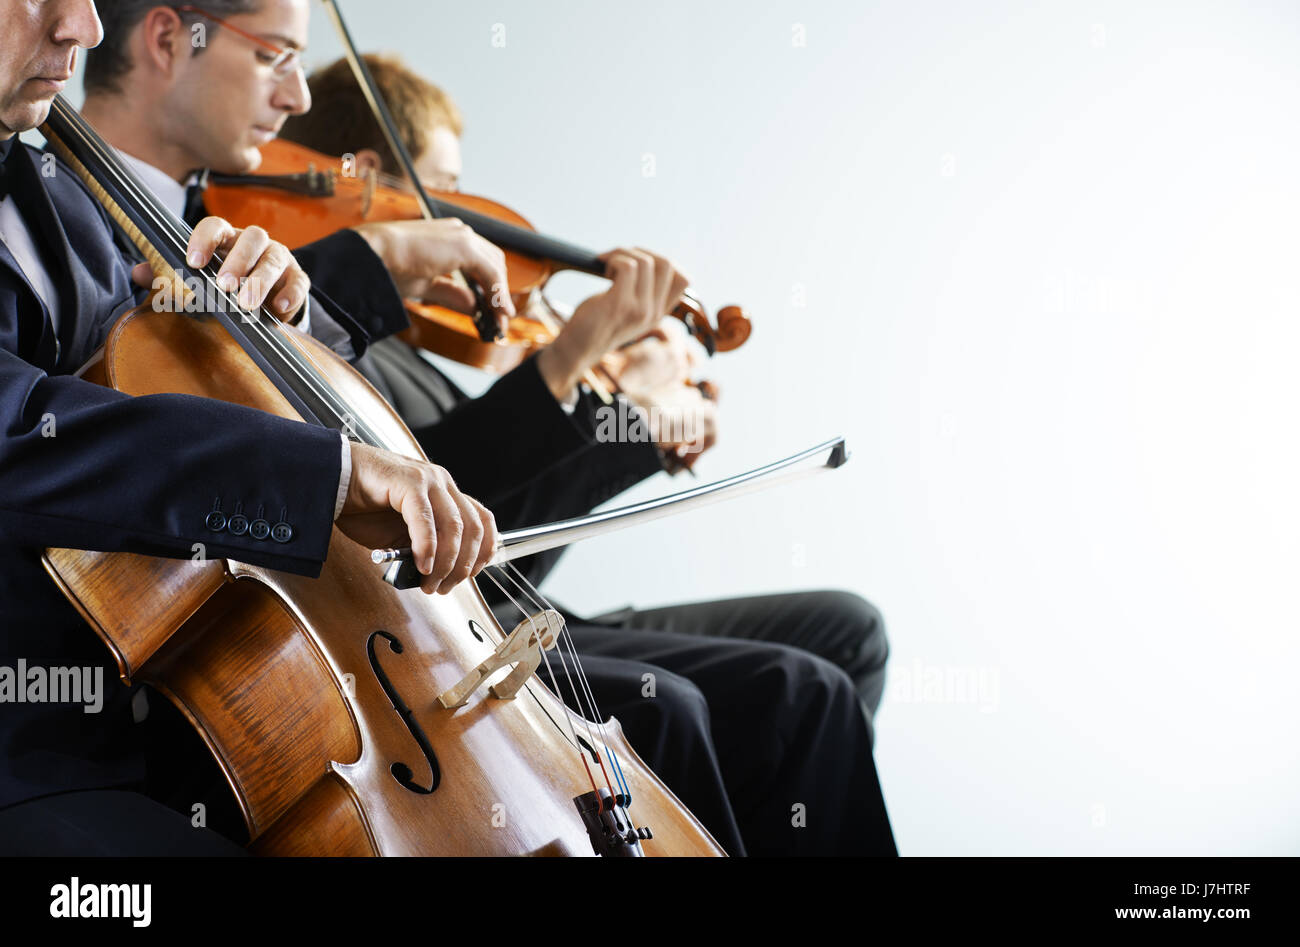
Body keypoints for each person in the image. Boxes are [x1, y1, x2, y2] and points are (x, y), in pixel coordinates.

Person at [57, 0, 896, 856]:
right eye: (276, 54)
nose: (297, 101)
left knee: (829, 649)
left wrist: (612, 412)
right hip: (329, 640)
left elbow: (471, 523)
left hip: (437, 619)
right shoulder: (152, 251)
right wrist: (565, 361)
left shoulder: (251, 258)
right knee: (742, 699)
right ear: (167, 38)